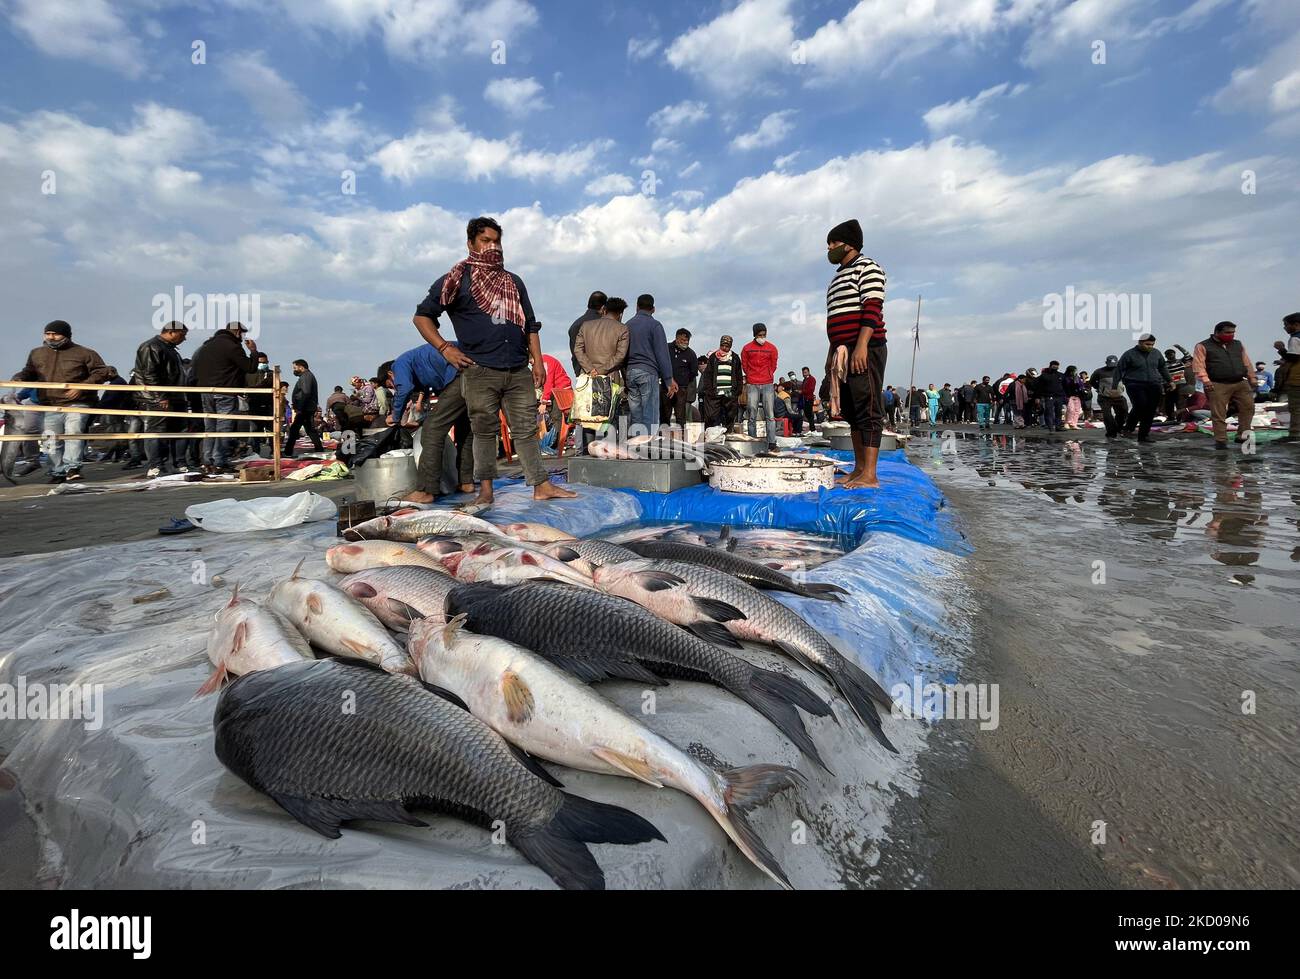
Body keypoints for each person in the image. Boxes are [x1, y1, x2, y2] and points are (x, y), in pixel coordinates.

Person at [413, 216, 576, 509]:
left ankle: (541, 485)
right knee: (484, 432)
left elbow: (530, 326)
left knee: (526, 429)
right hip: (479, 371)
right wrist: (445, 348)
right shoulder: (457, 279)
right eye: (486, 241)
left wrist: (538, 363)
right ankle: (485, 491)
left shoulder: (513, 281)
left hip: (517, 370)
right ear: (471, 244)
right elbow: (422, 316)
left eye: (497, 241)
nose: (493, 247)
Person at [825, 218, 888, 487]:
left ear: (849, 245)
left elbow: (872, 307)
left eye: (834, 243)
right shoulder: (837, 277)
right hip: (842, 351)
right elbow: (836, 318)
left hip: (865, 348)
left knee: (868, 408)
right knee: (851, 412)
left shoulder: (868, 268)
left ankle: (870, 475)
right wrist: (831, 357)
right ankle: (859, 468)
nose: (829, 249)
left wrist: (861, 345)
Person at [13, 320, 111, 482]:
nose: (51, 337)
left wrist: (81, 387)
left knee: (73, 432)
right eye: (48, 334)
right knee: (51, 438)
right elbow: (30, 372)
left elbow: (102, 372)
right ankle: (57, 471)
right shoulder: (37, 353)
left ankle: (72, 468)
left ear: (66, 335)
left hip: (78, 401)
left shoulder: (85, 353)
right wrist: (20, 378)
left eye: (55, 334)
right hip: (50, 403)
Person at [387, 342, 474, 502]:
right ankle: (466, 482)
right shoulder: (417, 361)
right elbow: (423, 386)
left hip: (460, 375)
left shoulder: (399, 364)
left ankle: (426, 490)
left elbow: (404, 388)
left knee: (432, 430)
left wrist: (395, 416)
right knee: (464, 429)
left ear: (390, 374)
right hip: (473, 372)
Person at [191, 321, 257, 473]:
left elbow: (194, 369)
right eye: (242, 333)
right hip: (225, 391)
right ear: (237, 332)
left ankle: (207, 461)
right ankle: (219, 461)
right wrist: (253, 352)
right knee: (224, 427)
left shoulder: (205, 346)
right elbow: (250, 368)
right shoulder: (232, 346)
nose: (242, 336)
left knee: (210, 427)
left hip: (206, 391)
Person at [131, 320, 188, 477]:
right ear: (171, 332)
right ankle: (156, 465)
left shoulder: (170, 349)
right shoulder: (151, 346)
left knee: (180, 430)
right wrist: (159, 396)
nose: (184, 339)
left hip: (175, 396)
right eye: (182, 335)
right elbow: (149, 374)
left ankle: (179, 463)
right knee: (156, 431)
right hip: (157, 398)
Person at [1193, 321, 1256, 450]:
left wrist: (1252, 377)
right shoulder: (1203, 346)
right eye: (1227, 332)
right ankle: (1221, 441)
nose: (1231, 335)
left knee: (1248, 408)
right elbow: (1199, 365)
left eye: (1233, 332)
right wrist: (1206, 381)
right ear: (1217, 332)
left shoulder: (1237, 344)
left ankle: (1243, 436)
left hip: (1240, 381)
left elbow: (1246, 362)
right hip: (1217, 383)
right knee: (1219, 413)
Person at [624, 294, 677, 435]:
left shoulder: (627, 325)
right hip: (648, 372)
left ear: (637, 307)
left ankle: (635, 448)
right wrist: (668, 379)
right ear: (653, 309)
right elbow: (662, 353)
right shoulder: (655, 325)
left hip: (630, 373)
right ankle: (648, 450)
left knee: (636, 415)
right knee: (650, 414)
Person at [1116, 334, 1173, 442]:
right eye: (1147, 344)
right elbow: (1119, 369)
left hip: (1154, 384)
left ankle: (1143, 436)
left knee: (1151, 409)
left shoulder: (1156, 353)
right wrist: (1117, 384)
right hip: (1134, 384)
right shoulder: (1129, 354)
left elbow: (1163, 368)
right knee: (1140, 405)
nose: (1150, 346)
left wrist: (1170, 381)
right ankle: (1128, 428)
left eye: (1152, 344)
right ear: (1140, 342)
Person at [741, 323, 779, 449]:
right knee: (752, 413)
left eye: (764, 335)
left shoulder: (772, 348)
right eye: (759, 335)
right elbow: (745, 365)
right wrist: (752, 376)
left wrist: (767, 374)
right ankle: (753, 441)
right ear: (754, 335)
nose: (762, 337)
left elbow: (774, 365)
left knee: (770, 414)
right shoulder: (747, 348)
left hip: (768, 383)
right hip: (752, 384)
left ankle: (772, 442)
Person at [698, 335, 743, 430]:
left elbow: (739, 375)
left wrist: (737, 391)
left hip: (730, 393)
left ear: (730, 346)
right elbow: (708, 375)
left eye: (727, 346)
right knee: (711, 416)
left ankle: (727, 434)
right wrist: (709, 390)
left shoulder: (735, 358)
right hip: (715, 393)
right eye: (723, 345)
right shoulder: (713, 357)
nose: (724, 348)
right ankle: (712, 436)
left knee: (729, 416)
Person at [283, 359, 323, 457]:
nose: (294, 370)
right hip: (306, 407)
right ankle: (319, 448)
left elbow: (306, 392)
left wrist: (300, 407)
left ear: (301, 367)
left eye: (295, 368)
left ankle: (288, 452)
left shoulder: (306, 376)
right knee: (310, 430)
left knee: (294, 429)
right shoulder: (305, 376)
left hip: (305, 408)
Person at [1274, 312, 1300, 441]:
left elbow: (1293, 357)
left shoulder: (1295, 338)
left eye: (1286, 325)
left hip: (1297, 378)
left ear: (1295, 325)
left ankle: (1295, 434)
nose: (1285, 328)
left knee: (1296, 408)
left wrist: (1281, 349)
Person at [664, 328, 698, 427]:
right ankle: (662, 435)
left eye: (687, 341)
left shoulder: (691, 354)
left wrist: (684, 382)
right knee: (665, 414)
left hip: (681, 388)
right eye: (683, 340)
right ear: (677, 338)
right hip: (666, 387)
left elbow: (693, 372)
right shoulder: (666, 348)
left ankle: (681, 436)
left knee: (680, 415)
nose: (685, 342)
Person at [568, 291, 607, 377]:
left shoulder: (575, 325)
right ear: (603, 308)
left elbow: (575, 351)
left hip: (581, 372)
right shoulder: (603, 324)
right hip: (601, 373)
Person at [1089, 356, 1129, 438]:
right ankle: (1111, 433)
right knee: (1107, 415)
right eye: (1110, 364)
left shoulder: (1122, 371)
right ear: (1106, 362)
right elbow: (1092, 381)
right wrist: (1100, 388)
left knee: (1123, 413)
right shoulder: (1099, 371)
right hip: (1104, 397)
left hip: (1118, 396)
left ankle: (1119, 428)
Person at [1035, 361, 1067, 432]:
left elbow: (1065, 386)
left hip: (1059, 396)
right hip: (1049, 396)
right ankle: (1050, 427)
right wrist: (1037, 397)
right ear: (1050, 366)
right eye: (1054, 365)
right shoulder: (1044, 376)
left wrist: (1065, 395)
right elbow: (1038, 387)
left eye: (1057, 365)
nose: (1055, 367)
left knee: (1058, 412)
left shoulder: (1061, 375)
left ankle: (1058, 426)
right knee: (1049, 412)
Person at [1062, 365, 1086, 429]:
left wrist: (1079, 383)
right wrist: (1065, 396)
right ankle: (1067, 422)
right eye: (1074, 371)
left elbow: (1081, 385)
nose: (1075, 372)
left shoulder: (1077, 377)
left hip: (1077, 395)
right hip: (1069, 396)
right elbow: (1065, 386)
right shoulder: (1065, 377)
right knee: (1070, 410)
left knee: (1077, 410)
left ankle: (1074, 423)